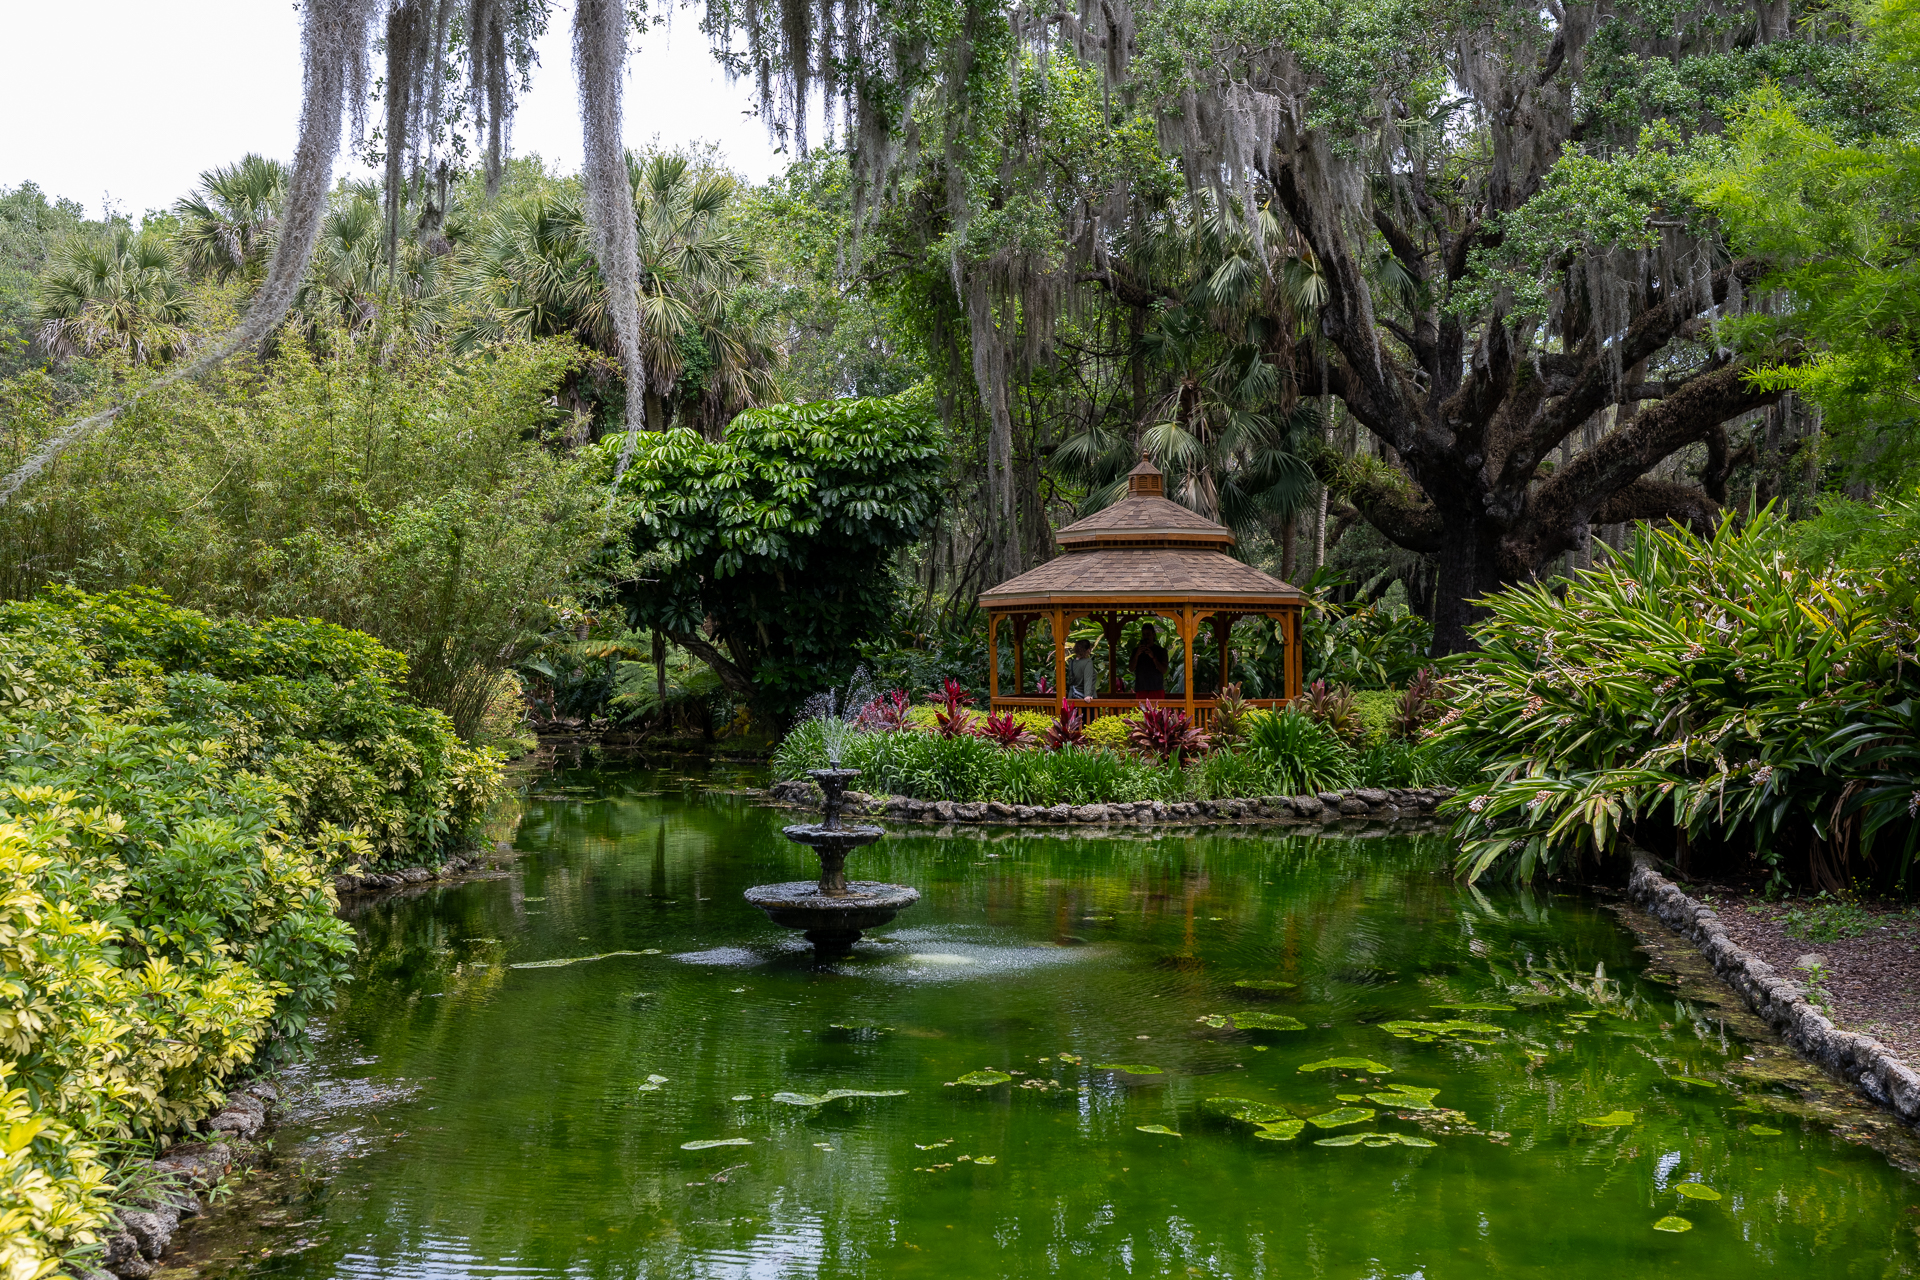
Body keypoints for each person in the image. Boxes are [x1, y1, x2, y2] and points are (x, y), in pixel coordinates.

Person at [1131, 624, 1168, 694]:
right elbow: (1131, 668)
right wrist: (1136, 655)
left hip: (1156, 689)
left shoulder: (1161, 651)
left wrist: (1153, 657)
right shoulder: (1136, 651)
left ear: (1153, 634)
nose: (1146, 637)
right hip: (1141, 689)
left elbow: (1164, 670)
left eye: (1148, 634)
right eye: (1144, 635)